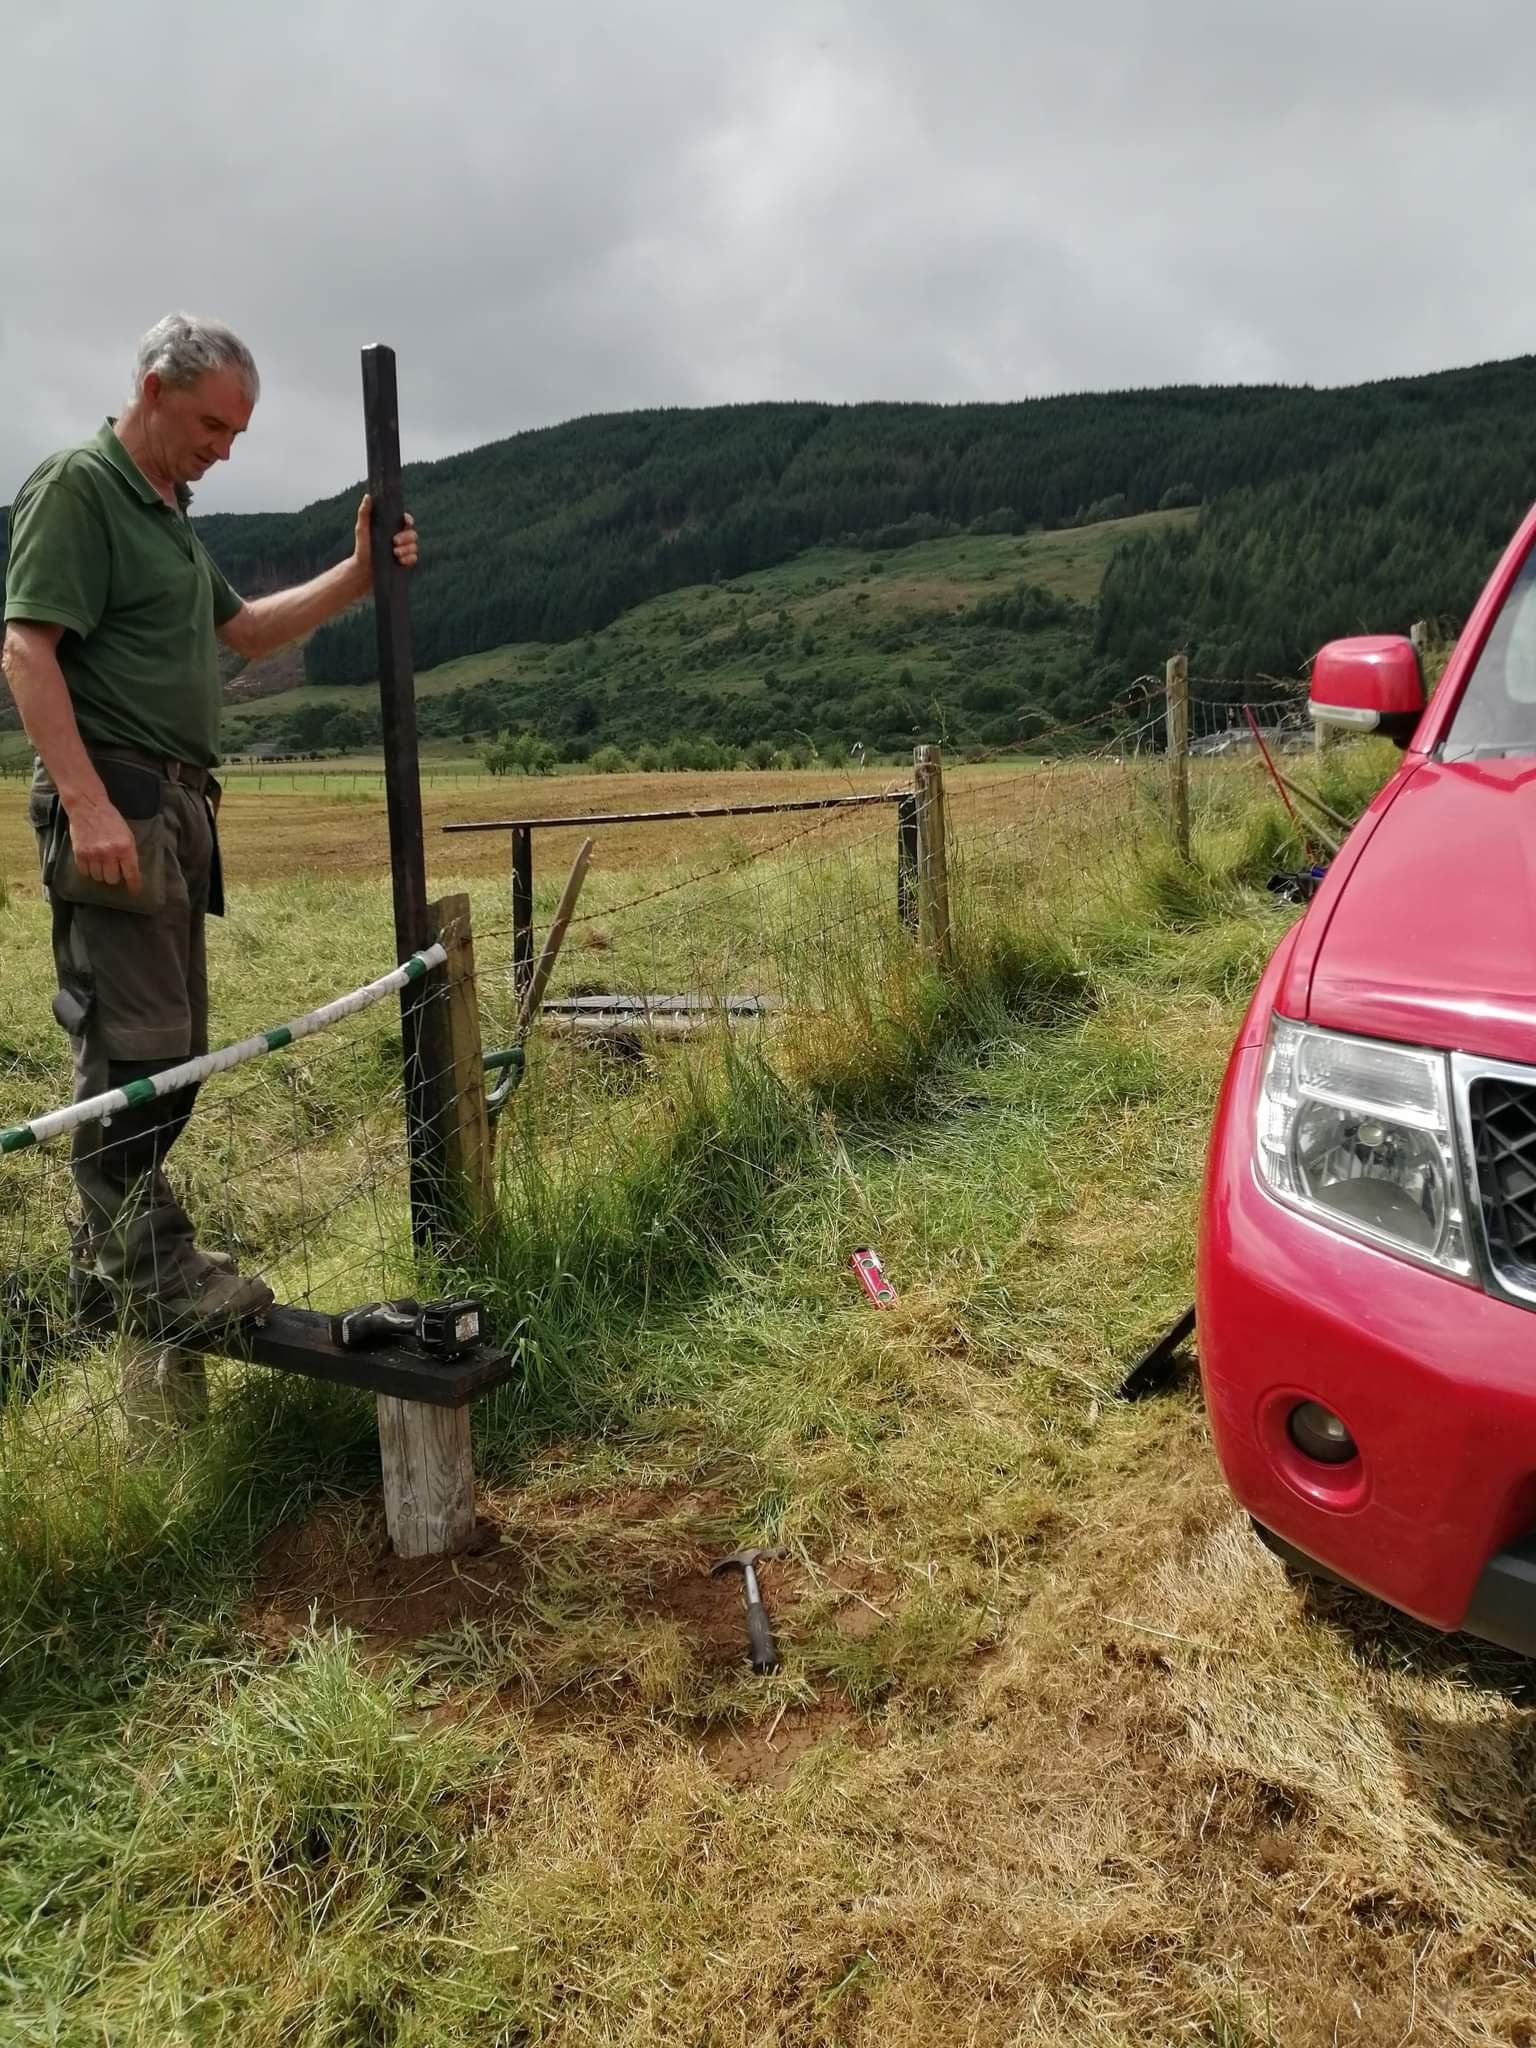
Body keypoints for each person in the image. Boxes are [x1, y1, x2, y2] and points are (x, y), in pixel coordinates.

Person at [1, 312, 419, 1339]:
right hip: (121, 801)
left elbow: (246, 629)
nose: (224, 449)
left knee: (173, 1051)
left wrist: (359, 576)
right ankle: (155, 1274)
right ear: (151, 389)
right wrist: (90, 803)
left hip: (177, 807)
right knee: (136, 1048)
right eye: (211, 424)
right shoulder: (80, 487)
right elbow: (25, 651)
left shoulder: (165, 517)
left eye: (237, 432)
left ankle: (106, 1266)